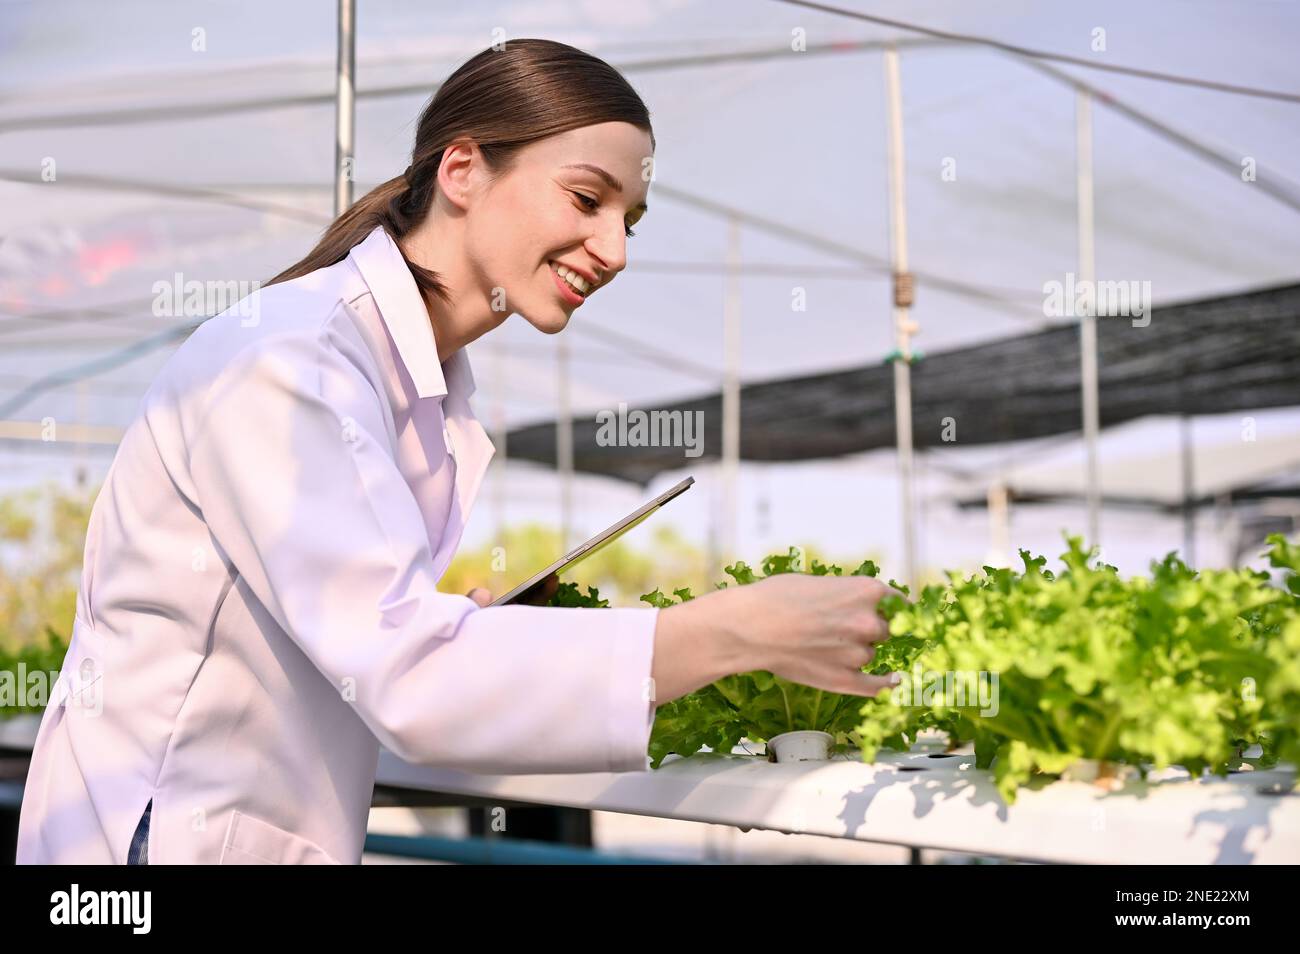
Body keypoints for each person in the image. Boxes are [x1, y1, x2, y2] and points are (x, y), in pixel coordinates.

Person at [16, 38, 899, 865]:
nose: (616, 249)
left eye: (632, 218)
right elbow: (410, 681)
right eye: (588, 199)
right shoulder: (289, 362)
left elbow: (374, 638)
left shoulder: (416, 379)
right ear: (464, 169)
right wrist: (736, 630)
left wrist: (462, 627)